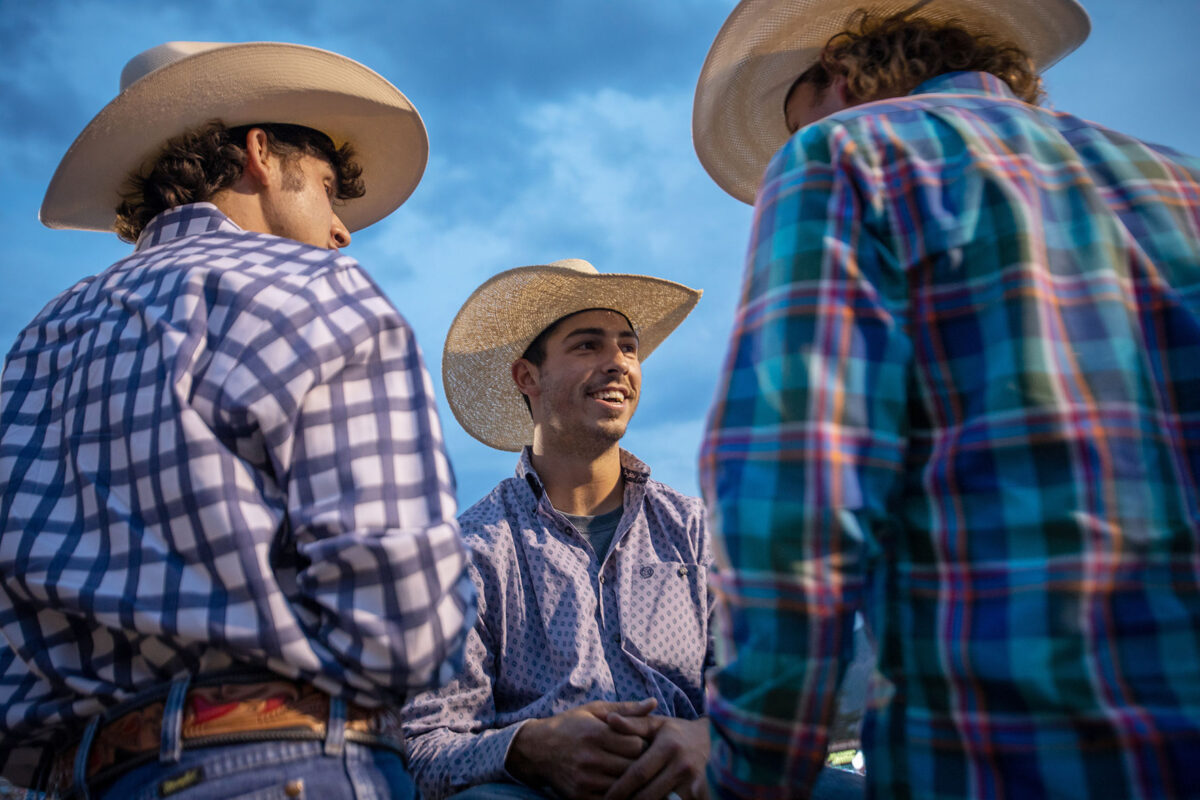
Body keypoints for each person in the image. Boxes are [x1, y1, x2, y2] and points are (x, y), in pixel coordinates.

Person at [693, 0, 1200, 797]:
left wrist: (751, 771)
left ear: (842, 75)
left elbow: (793, 496)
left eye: (796, 123)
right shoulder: (1180, 184)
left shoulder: (844, 154)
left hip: (995, 755)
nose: (794, 146)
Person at [0, 41, 474, 799]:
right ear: (258, 152)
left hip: (82, 774)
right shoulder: (315, 290)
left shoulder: (39, 342)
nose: (342, 228)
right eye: (325, 186)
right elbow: (406, 619)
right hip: (284, 762)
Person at [402, 258, 718, 800]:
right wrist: (528, 749)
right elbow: (424, 746)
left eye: (628, 346)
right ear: (527, 377)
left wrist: (711, 739)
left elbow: (762, 694)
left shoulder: (693, 530)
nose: (618, 363)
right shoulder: (468, 552)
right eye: (588, 345)